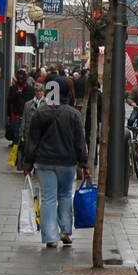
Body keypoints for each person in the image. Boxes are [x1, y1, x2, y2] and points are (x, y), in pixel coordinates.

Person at [23, 94, 90, 249]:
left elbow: (32, 140)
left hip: (44, 162)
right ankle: (65, 232)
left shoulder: (40, 113)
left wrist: (28, 163)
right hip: (67, 162)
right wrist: (84, 164)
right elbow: (80, 141)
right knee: (65, 195)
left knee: (48, 198)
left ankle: (50, 238)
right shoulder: (74, 114)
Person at [7, 70, 34, 142]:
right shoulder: (13, 88)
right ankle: (16, 147)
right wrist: (16, 94)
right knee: (16, 133)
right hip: (16, 114)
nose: (20, 80)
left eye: (22, 78)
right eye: (19, 78)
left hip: (27, 115)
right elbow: (9, 100)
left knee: (26, 133)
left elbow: (33, 101)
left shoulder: (30, 89)